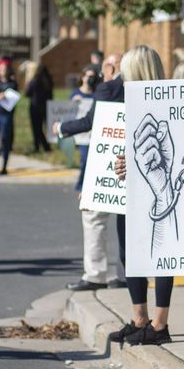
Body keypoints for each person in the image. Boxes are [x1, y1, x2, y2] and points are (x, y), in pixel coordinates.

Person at [108, 45, 176, 345]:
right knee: (129, 253)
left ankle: (160, 324)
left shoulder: (168, 105)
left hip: (158, 190)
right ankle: (140, 319)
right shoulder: (121, 103)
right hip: (128, 191)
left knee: (162, 255)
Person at [57, 55, 126, 291]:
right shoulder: (143, 84)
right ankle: (126, 276)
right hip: (134, 160)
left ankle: (95, 275)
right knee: (127, 220)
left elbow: (92, 120)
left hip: (107, 160)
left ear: (110, 68)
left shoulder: (108, 88)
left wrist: (62, 128)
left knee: (94, 216)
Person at [70, 65, 100, 193]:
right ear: (83, 77)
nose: (90, 79)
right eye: (88, 76)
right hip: (81, 134)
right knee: (85, 159)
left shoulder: (97, 94)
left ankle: (87, 184)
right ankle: (81, 184)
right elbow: (67, 113)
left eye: (93, 77)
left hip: (93, 133)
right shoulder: (76, 94)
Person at [24, 61, 54, 153]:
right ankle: (45, 146)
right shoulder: (47, 81)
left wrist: (27, 81)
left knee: (36, 128)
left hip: (35, 107)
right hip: (45, 107)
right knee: (43, 127)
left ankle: (40, 146)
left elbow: (27, 93)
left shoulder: (34, 81)